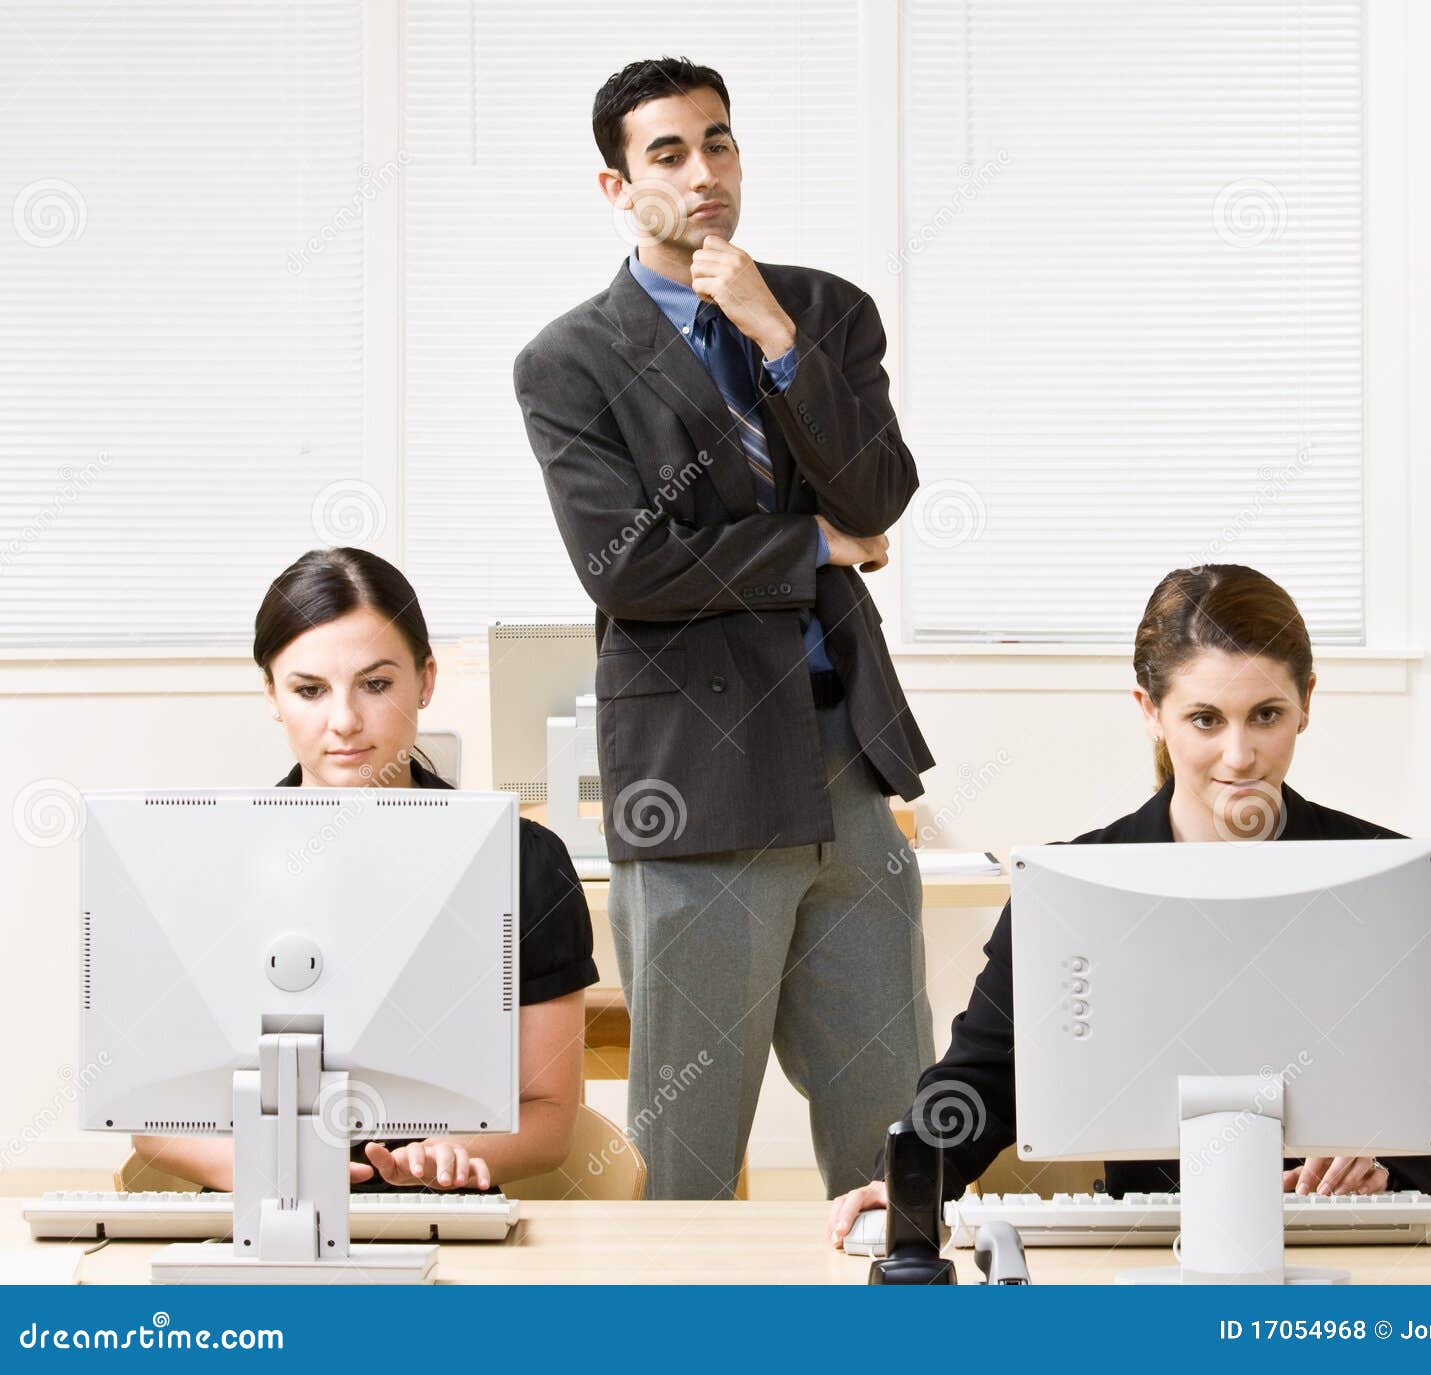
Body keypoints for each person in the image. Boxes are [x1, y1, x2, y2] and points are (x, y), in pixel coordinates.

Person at [512, 57, 936, 1200]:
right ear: (616, 185)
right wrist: (809, 548)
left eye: (720, 143)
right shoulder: (568, 362)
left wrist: (772, 332)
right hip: (694, 776)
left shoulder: (825, 308)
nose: (704, 173)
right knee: (686, 1141)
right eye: (669, 153)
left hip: (844, 751)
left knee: (895, 1117)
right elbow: (629, 567)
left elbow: (876, 496)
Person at [827, 564, 1431, 1246]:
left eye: (1267, 715)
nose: (1241, 755)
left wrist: (1386, 1160)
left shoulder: (1384, 874)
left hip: (1340, 1239)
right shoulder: (1073, 884)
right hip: (1148, 1243)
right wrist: (909, 1177)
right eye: (1205, 718)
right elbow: (981, 1083)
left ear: (1307, 701)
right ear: (1150, 711)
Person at [131, 547, 599, 1193]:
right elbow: (155, 1114)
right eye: (309, 689)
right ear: (271, 693)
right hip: (260, 1216)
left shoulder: (523, 861)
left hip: (445, 1217)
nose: (345, 721)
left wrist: (454, 1155)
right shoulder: (207, 860)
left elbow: (549, 1118)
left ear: (425, 680)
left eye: (376, 684)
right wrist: (254, 1167)